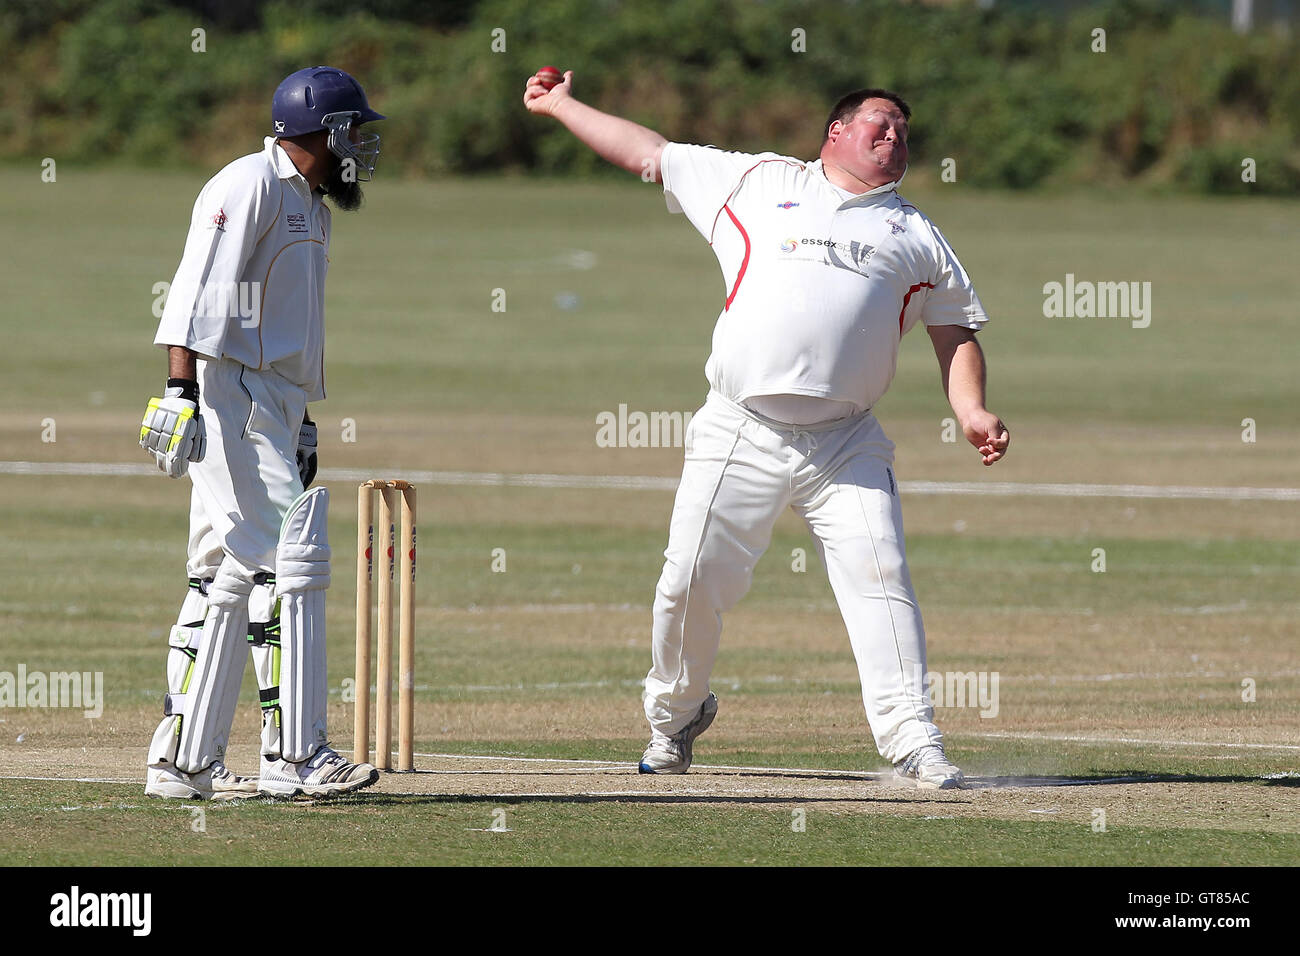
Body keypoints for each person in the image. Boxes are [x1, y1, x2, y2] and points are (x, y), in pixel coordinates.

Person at [523, 71, 1009, 789]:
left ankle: (915, 741)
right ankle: (675, 717)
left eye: (904, 131)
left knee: (883, 582)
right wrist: (560, 104)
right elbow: (649, 153)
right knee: (687, 580)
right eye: (880, 122)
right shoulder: (753, 180)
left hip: (846, 442)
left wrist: (970, 410)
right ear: (835, 132)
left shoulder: (916, 233)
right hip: (739, 427)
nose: (895, 134)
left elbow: (955, 331)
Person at [139, 66, 386, 799]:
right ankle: (296, 754)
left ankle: (182, 762)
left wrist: (302, 418)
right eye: (354, 131)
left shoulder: (312, 203)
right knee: (290, 556)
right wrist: (180, 391)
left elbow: (293, 321)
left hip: (272, 398)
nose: (360, 146)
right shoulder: (247, 183)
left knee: (223, 568)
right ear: (322, 131)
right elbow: (195, 288)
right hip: (228, 388)